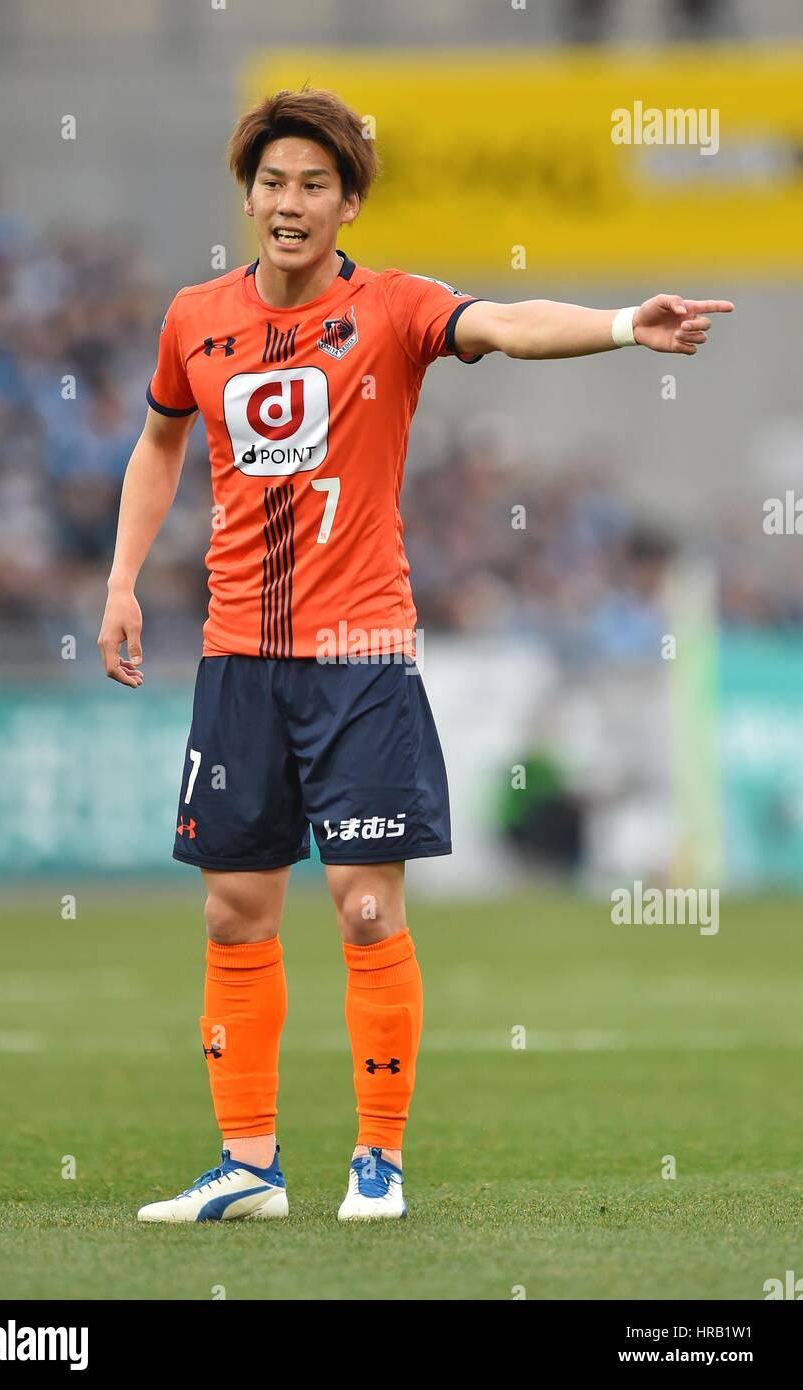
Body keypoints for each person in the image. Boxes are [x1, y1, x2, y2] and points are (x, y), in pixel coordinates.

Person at [97, 85, 733, 1223]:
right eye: (271, 182)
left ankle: (376, 1162)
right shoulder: (194, 317)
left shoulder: (390, 307)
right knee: (233, 910)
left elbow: (501, 322)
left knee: (362, 909)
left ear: (347, 202)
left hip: (360, 657)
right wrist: (119, 582)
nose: (288, 204)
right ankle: (246, 1166)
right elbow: (157, 442)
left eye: (313, 185)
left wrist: (616, 325)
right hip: (240, 656)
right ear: (246, 194)